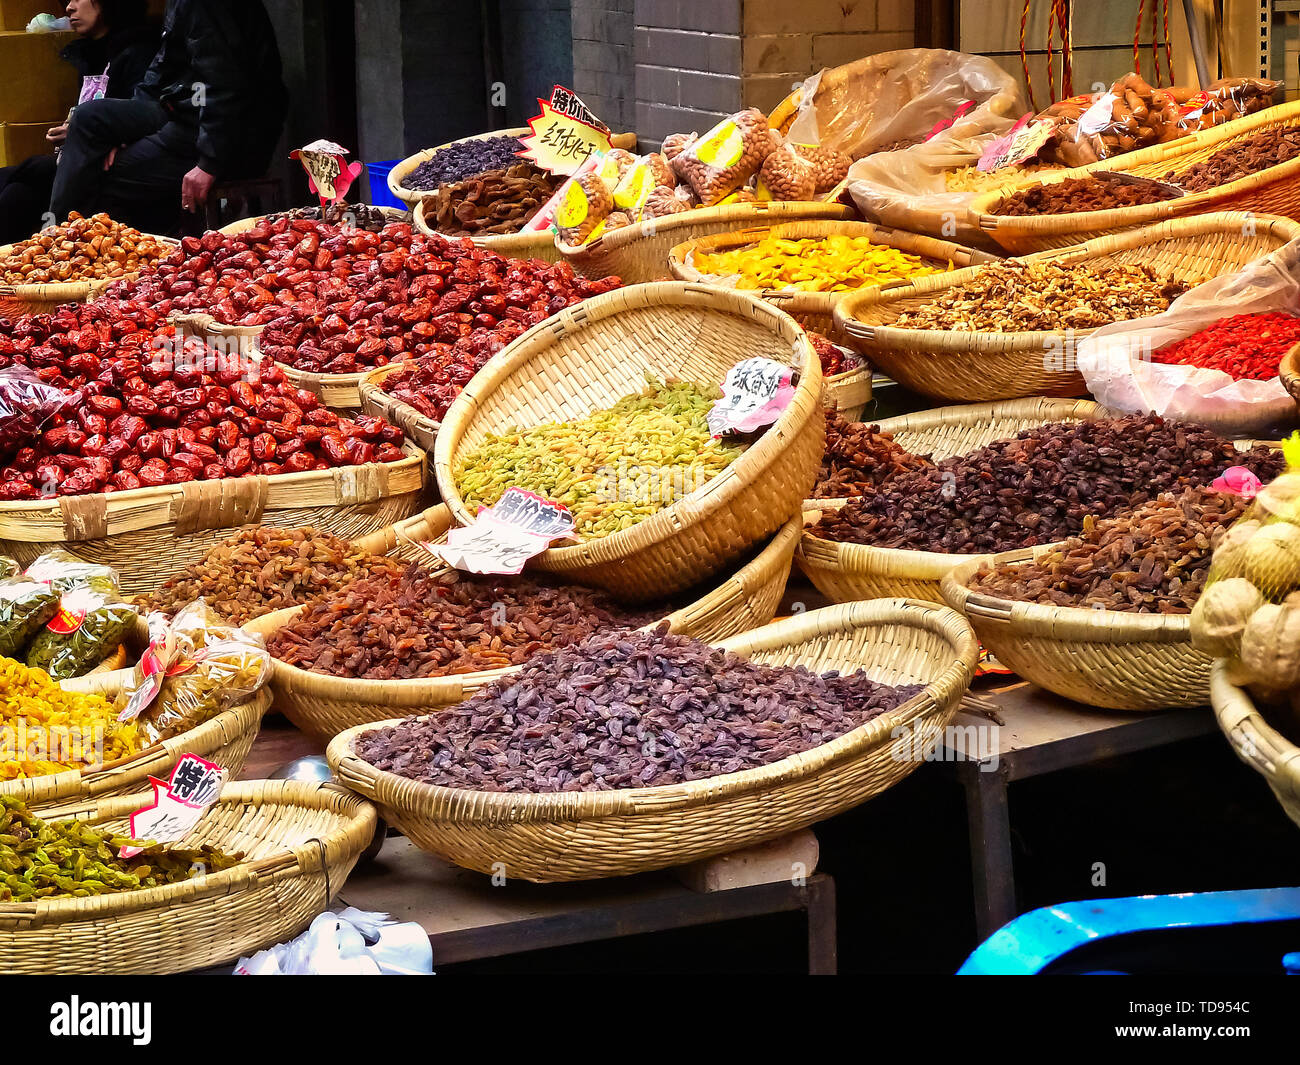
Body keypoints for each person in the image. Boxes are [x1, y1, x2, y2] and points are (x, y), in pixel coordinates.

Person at [49, 0, 288, 235]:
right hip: (189, 115)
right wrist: (123, 131)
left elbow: (224, 82)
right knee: (88, 118)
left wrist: (209, 163)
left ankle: (69, 246)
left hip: (229, 134)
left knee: (100, 175)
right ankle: (59, 242)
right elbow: (159, 70)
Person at [0, 0, 158, 245]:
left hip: (107, 165)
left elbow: (144, 114)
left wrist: (110, 137)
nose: (69, 8)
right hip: (77, 157)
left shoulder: (140, 52)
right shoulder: (88, 54)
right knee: (16, 195)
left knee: (31, 172)